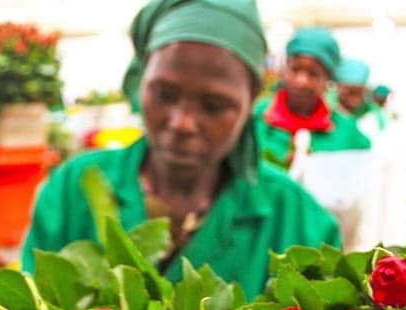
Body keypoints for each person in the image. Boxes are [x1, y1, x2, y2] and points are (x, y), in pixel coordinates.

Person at [21, 0, 340, 295]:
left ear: (252, 100)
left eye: (214, 105)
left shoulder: (300, 224)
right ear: (141, 80)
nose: (182, 123)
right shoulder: (73, 190)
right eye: (165, 95)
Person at [254, 28, 371, 169]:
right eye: (295, 69)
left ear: (328, 79)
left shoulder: (349, 134)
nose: (301, 81)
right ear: (284, 69)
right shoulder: (255, 121)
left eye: (313, 74)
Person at [332, 58, 386, 140]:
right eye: (351, 91)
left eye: (359, 91)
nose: (354, 97)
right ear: (338, 87)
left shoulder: (374, 116)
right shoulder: (326, 112)